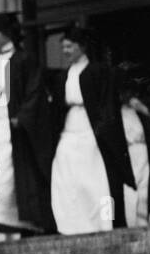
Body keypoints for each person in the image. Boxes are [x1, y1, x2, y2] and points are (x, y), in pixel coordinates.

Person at [49, 24, 133, 234]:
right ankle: (73, 225)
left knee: (97, 181)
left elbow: (106, 107)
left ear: (82, 46)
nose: (65, 51)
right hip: (70, 129)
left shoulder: (98, 71)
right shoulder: (62, 76)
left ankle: (105, 222)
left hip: (92, 131)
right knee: (68, 178)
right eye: (64, 47)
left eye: (70, 46)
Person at [0, 12, 54, 239]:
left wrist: (22, 117)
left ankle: (14, 221)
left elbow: (34, 92)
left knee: (10, 175)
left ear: (7, 33)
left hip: (13, 127)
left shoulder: (23, 60)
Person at [117, 62, 150, 228]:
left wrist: (141, 108)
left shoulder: (140, 109)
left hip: (143, 153)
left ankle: (142, 223)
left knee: (145, 190)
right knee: (129, 193)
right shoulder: (116, 112)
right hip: (127, 154)